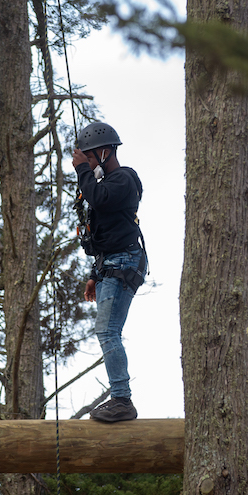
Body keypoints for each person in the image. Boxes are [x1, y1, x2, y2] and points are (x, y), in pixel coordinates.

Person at [71, 122, 147, 423]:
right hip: (110, 264)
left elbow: (98, 198)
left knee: (107, 330)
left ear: (104, 152)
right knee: (106, 330)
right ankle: (120, 399)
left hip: (124, 261)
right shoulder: (103, 186)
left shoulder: (124, 179)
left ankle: (122, 400)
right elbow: (105, 236)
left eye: (87, 158)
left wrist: (82, 171)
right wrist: (94, 272)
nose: (85, 165)